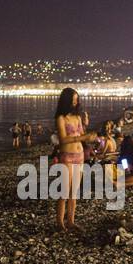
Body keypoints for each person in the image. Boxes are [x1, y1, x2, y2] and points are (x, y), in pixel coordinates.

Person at [53, 87, 89, 233]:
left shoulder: (77, 117)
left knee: (74, 191)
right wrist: (83, 137)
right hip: (67, 155)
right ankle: (60, 222)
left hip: (79, 155)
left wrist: (85, 124)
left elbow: (82, 134)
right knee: (64, 192)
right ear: (67, 101)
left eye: (77, 100)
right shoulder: (61, 118)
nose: (75, 103)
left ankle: (71, 221)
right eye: (73, 100)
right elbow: (63, 139)